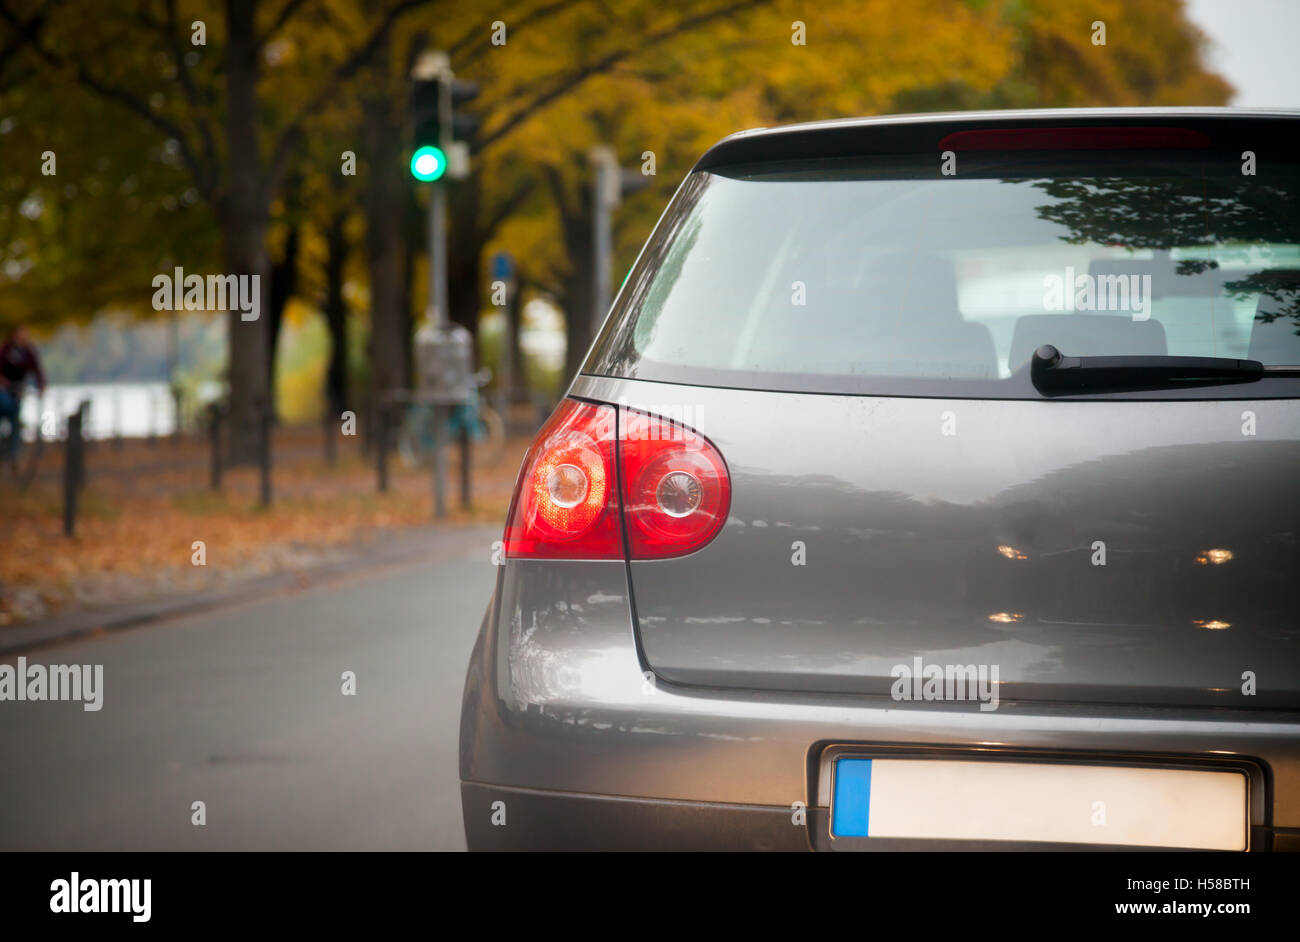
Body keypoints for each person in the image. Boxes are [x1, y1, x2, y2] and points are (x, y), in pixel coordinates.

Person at [0, 325, 45, 464]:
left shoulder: (28, 351)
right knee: (7, 410)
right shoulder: (7, 349)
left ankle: (13, 453)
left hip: (18, 390)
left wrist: (41, 386)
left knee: (15, 420)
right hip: (4, 390)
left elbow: (36, 369)